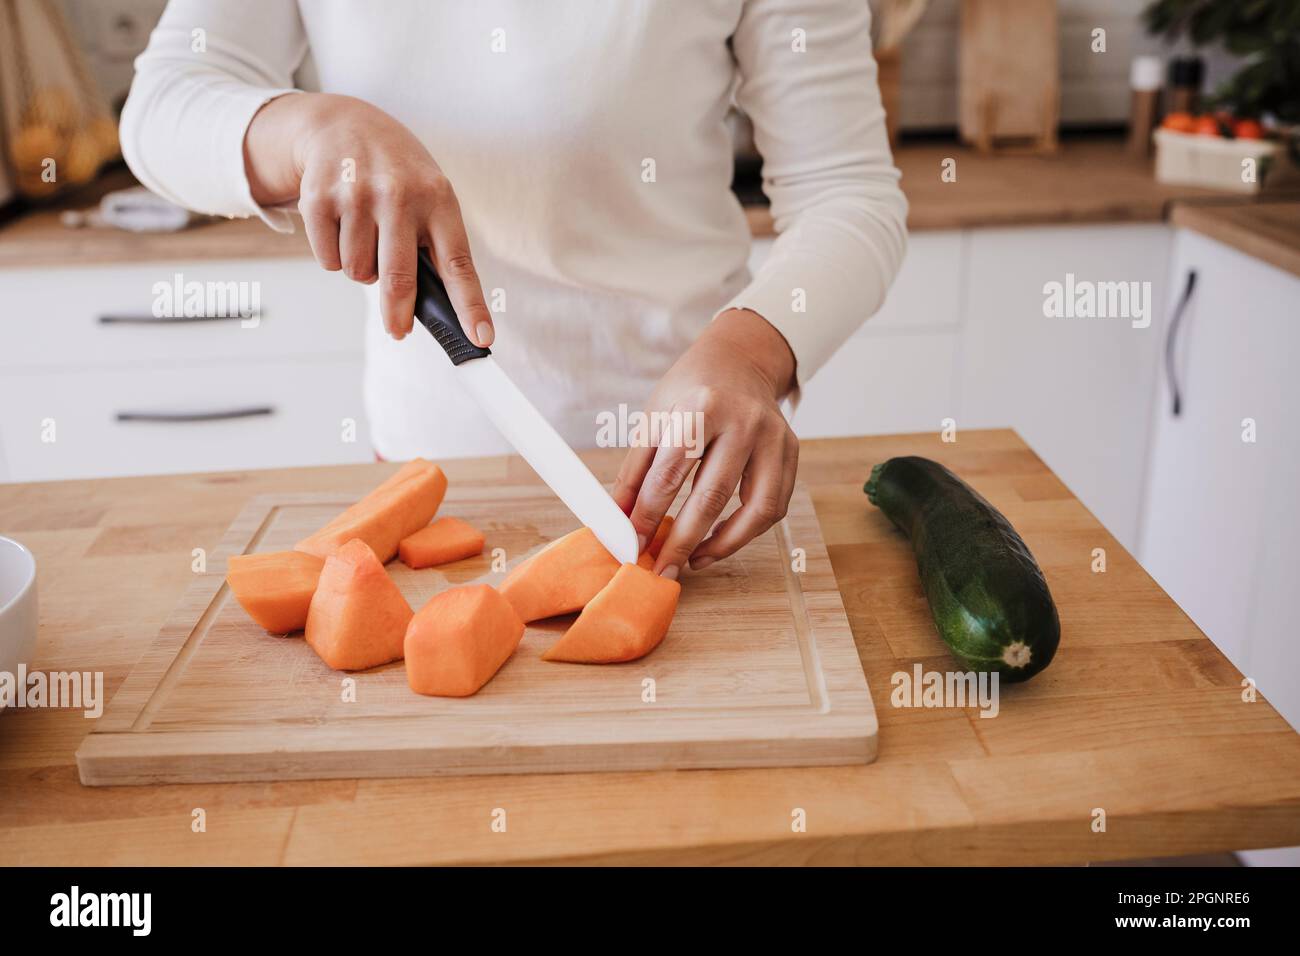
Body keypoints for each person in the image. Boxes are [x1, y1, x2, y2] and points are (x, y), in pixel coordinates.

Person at [121, 0, 907, 580]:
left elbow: (849, 192)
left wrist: (751, 353)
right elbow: (163, 104)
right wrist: (304, 129)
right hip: (430, 468)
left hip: (691, 475)